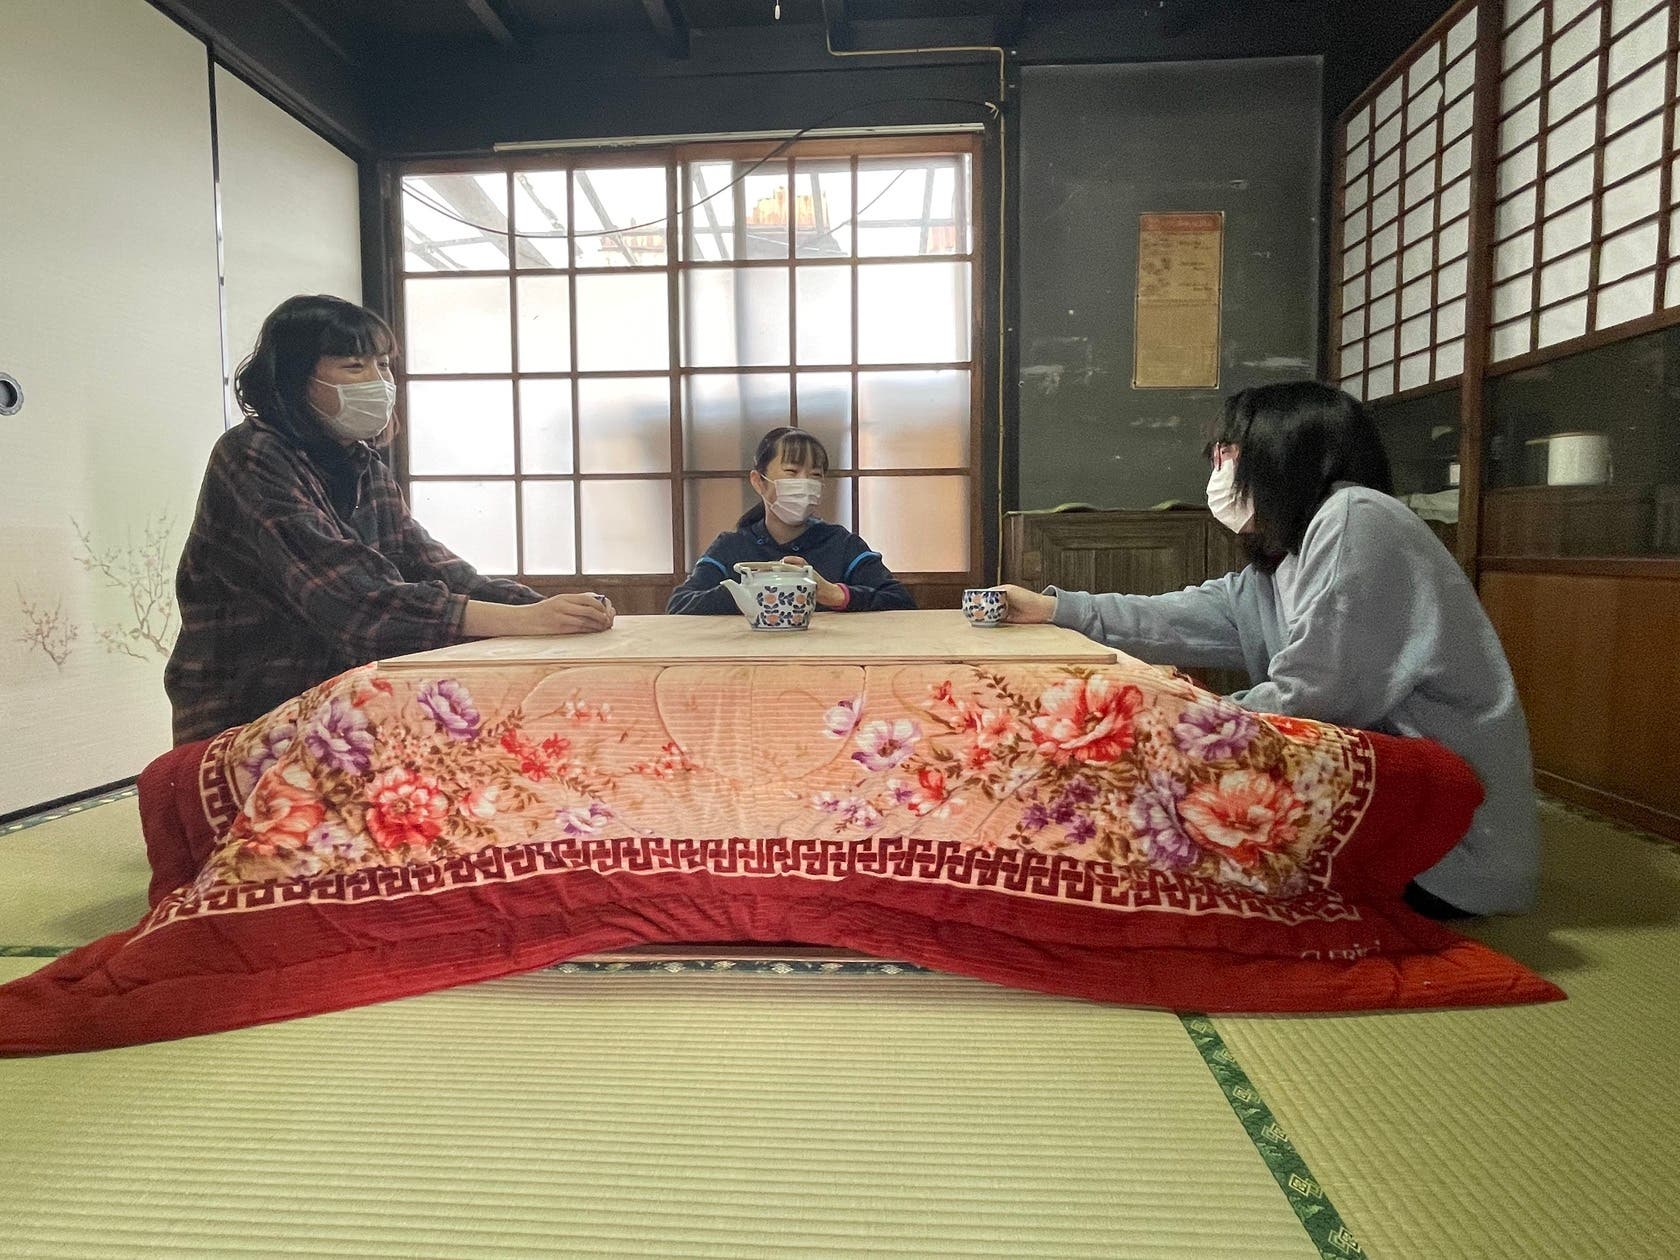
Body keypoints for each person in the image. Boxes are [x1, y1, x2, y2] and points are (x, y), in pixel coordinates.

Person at [993, 381, 1539, 918]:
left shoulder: (1358, 517)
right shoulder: (1283, 561)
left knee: (1147, 759)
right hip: (1393, 801)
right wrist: (1053, 609)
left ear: (1284, 454)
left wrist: (1178, 718)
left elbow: (1317, 696)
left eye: (1227, 454)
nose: (1216, 472)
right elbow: (1174, 617)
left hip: (1447, 843)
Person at [165, 294, 613, 745]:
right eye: (355, 367)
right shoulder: (251, 454)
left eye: (383, 366)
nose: (379, 382)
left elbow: (433, 565)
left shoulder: (360, 462)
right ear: (295, 378)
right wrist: (526, 621)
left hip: (340, 699)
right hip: (248, 709)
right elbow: (350, 599)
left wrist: (542, 607)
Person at [668, 426, 916, 615]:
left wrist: (835, 594)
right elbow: (678, 606)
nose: (804, 482)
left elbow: (902, 602)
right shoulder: (731, 546)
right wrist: (747, 593)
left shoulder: (842, 545)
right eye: (792, 472)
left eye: (815, 475)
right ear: (758, 481)